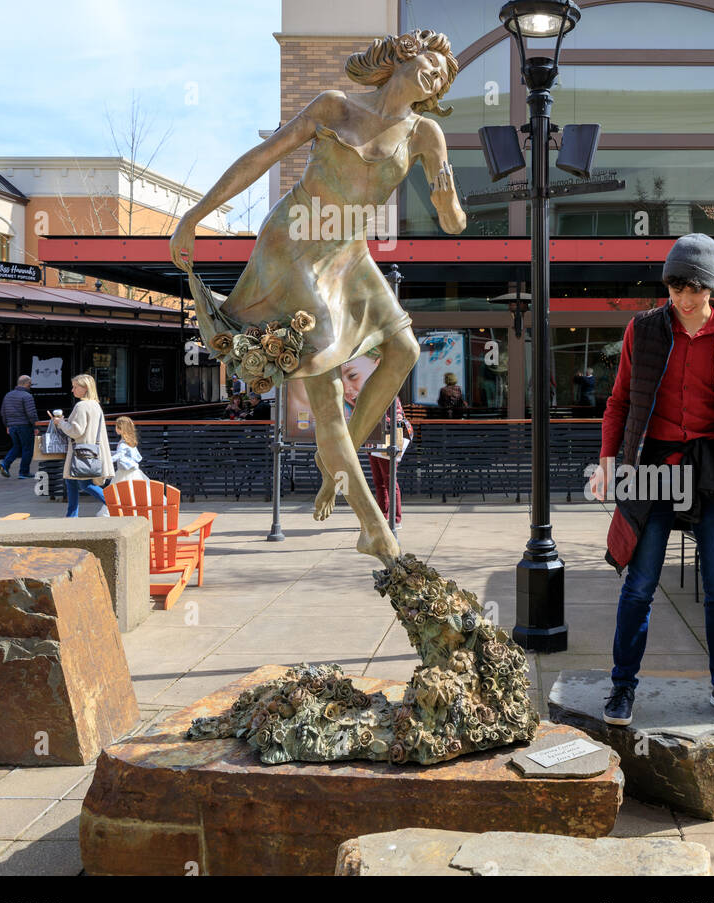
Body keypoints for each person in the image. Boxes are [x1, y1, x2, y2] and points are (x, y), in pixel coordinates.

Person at [169, 29, 465, 565]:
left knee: (405, 351)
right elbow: (262, 156)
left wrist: (447, 199)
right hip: (296, 242)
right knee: (325, 379)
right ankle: (374, 527)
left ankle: (338, 468)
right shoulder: (334, 106)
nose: (436, 75)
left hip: (349, 250)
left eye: (444, 77)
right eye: (432, 62)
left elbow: (454, 220)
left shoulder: (426, 133)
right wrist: (195, 214)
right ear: (403, 57)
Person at [592, 234, 714, 728]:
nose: (683, 299)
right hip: (654, 465)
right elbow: (619, 402)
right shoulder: (644, 330)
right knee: (640, 584)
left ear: (711, 287)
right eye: (675, 288)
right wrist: (609, 460)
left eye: (693, 289)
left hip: (713, 469)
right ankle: (623, 686)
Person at [56, 374, 114, 518]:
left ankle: (114, 504)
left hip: (81, 452)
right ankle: (71, 516)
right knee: (71, 481)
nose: (72, 390)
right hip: (90, 451)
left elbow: (76, 431)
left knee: (85, 484)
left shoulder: (81, 406)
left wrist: (60, 423)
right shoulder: (95, 405)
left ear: (85, 388)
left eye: (75, 386)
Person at [369, 400, 413, 525]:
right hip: (372, 442)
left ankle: (396, 519)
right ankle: (383, 516)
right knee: (379, 482)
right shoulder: (371, 394)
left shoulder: (390, 394)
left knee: (390, 481)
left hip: (386, 441)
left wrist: (375, 418)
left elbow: (398, 418)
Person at [0, 374, 38, 479]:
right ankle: (23, 472)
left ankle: (5, 464)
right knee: (27, 448)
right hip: (24, 426)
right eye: (30, 384)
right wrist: (36, 426)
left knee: (16, 446)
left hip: (12, 426)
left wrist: (7, 425)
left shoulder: (8, 395)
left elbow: (3, 412)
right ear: (28, 384)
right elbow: (31, 414)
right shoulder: (27, 396)